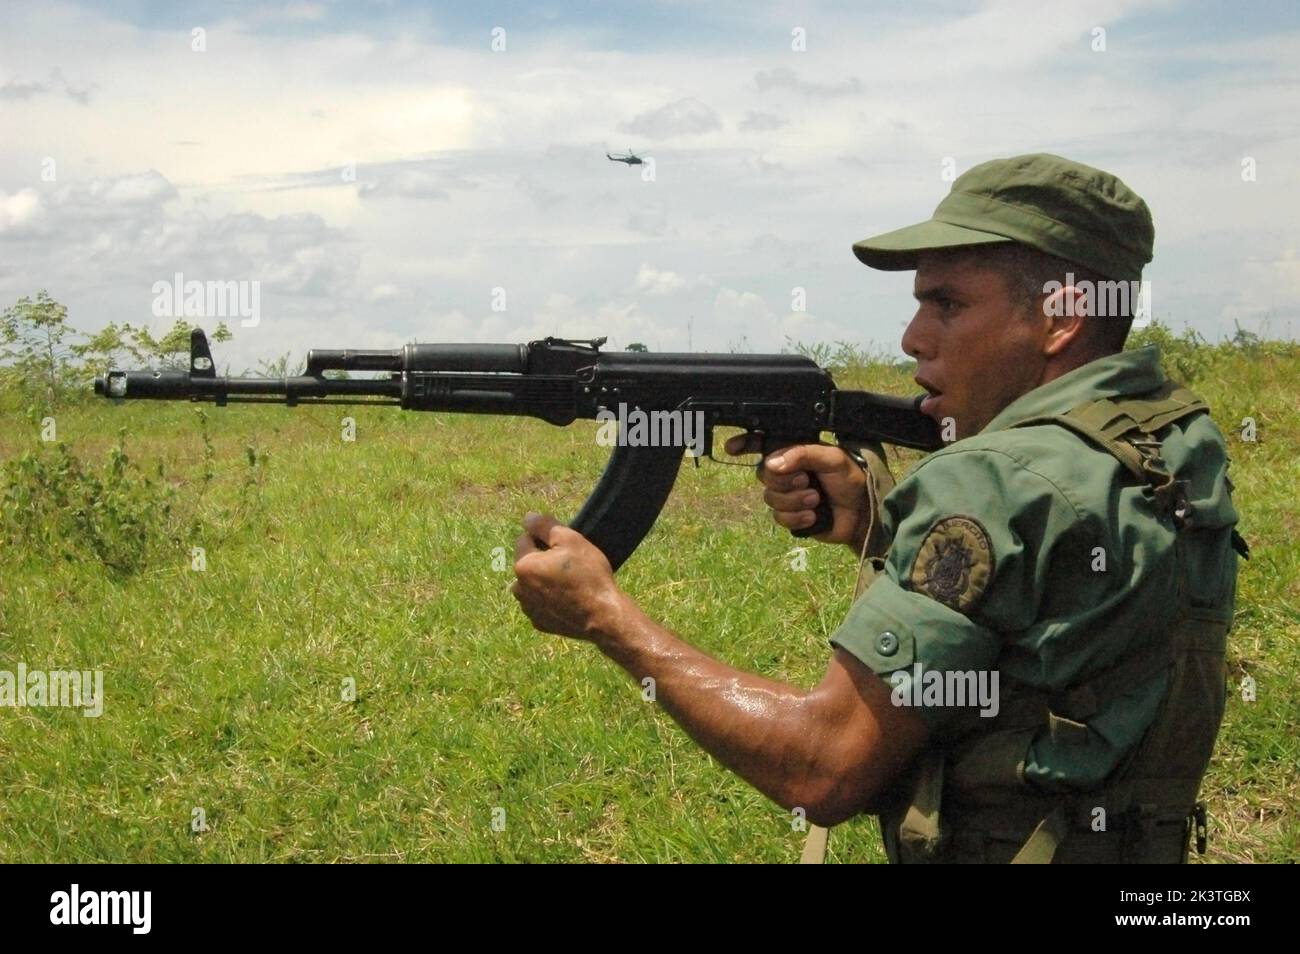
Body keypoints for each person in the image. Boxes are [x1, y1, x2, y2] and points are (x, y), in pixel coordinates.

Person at [511, 154, 1244, 863]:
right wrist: (876, 523)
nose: (912, 337)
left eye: (948, 304)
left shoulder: (990, 480)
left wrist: (607, 617)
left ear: (1061, 320)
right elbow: (1070, 589)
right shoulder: (1164, 432)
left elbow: (822, 767)